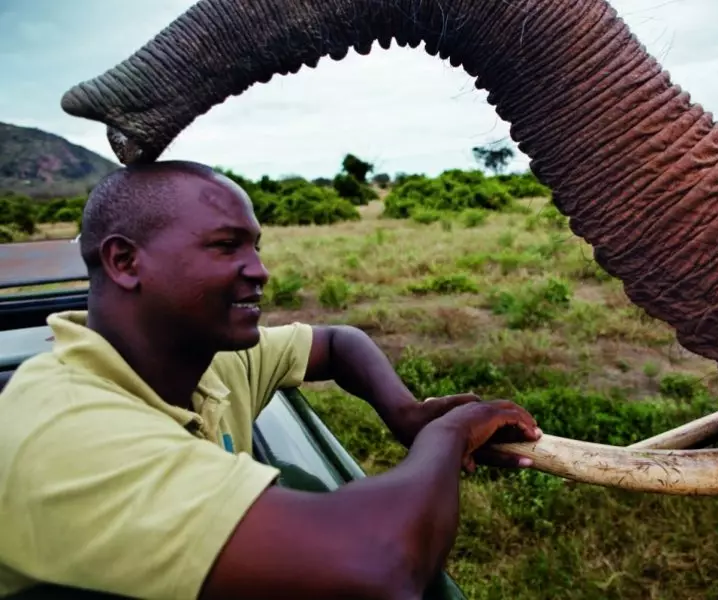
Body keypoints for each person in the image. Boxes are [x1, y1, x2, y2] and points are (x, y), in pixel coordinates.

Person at [0, 160, 541, 600]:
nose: (259, 269)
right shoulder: (62, 428)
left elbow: (335, 341)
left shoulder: (207, 359)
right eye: (225, 245)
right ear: (124, 261)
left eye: (255, 245)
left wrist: (405, 411)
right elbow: (379, 566)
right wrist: (446, 435)